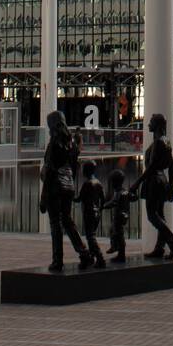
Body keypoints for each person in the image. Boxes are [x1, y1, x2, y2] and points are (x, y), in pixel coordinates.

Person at [40, 111, 92, 273]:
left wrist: (43, 197)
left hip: (55, 187)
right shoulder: (71, 144)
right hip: (68, 186)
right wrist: (71, 185)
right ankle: (84, 253)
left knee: (56, 224)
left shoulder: (54, 143)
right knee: (68, 222)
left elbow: (49, 171)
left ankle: (58, 261)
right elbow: (75, 168)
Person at [130, 112, 173, 260]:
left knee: (153, 216)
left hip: (154, 181)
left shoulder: (159, 142)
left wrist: (136, 183)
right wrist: (170, 186)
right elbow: (171, 166)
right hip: (162, 181)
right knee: (160, 215)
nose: (148, 124)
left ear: (157, 125)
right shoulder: (167, 141)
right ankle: (159, 248)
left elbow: (151, 167)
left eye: (151, 122)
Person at [76, 160, 106, 268]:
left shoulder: (87, 183)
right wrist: (99, 210)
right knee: (91, 235)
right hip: (96, 213)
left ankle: (100, 258)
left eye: (83, 168)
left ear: (86, 170)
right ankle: (92, 258)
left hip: (89, 213)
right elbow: (103, 200)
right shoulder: (98, 182)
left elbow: (79, 199)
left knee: (90, 237)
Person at [104, 169, 133, 262]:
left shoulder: (118, 193)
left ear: (114, 183)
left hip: (119, 217)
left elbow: (113, 202)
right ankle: (114, 247)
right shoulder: (125, 191)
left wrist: (104, 206)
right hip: (124, 216)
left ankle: (121, 254)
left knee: (118, 234)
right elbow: (134, 197)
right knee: (113, 231)